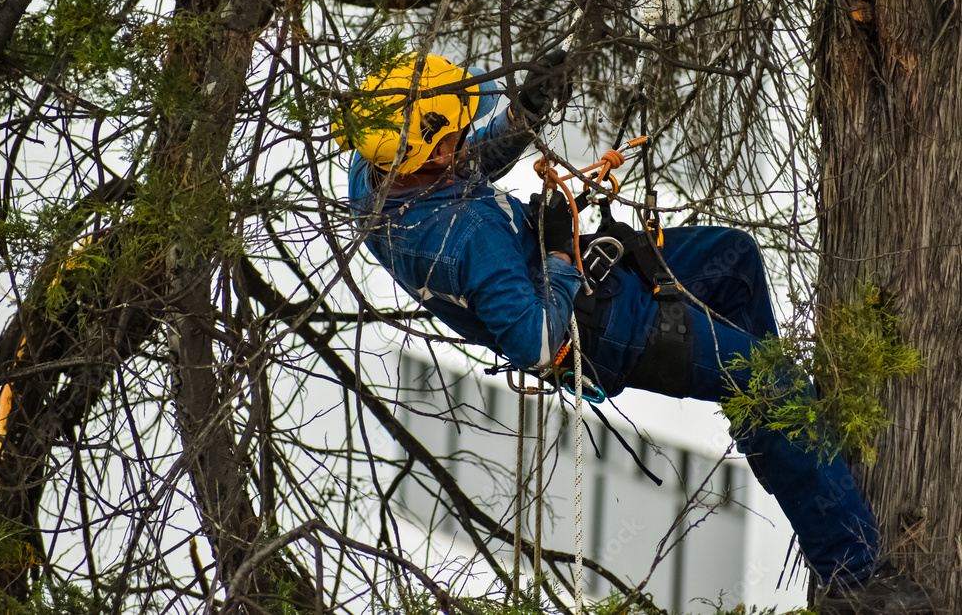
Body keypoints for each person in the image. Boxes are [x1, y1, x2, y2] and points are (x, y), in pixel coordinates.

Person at [336, 51, 939, 614]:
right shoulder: (468, 241)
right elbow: (537, 342)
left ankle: (779, 435)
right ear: (430, 153)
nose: (465, 144)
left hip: (601, 281)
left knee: (732, 260)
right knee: (771, 381)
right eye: (455, 137)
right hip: (607, 332)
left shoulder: (373, 179)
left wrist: (521, 120)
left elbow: (462, 165)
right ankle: (854, 581)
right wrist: (555, 254)